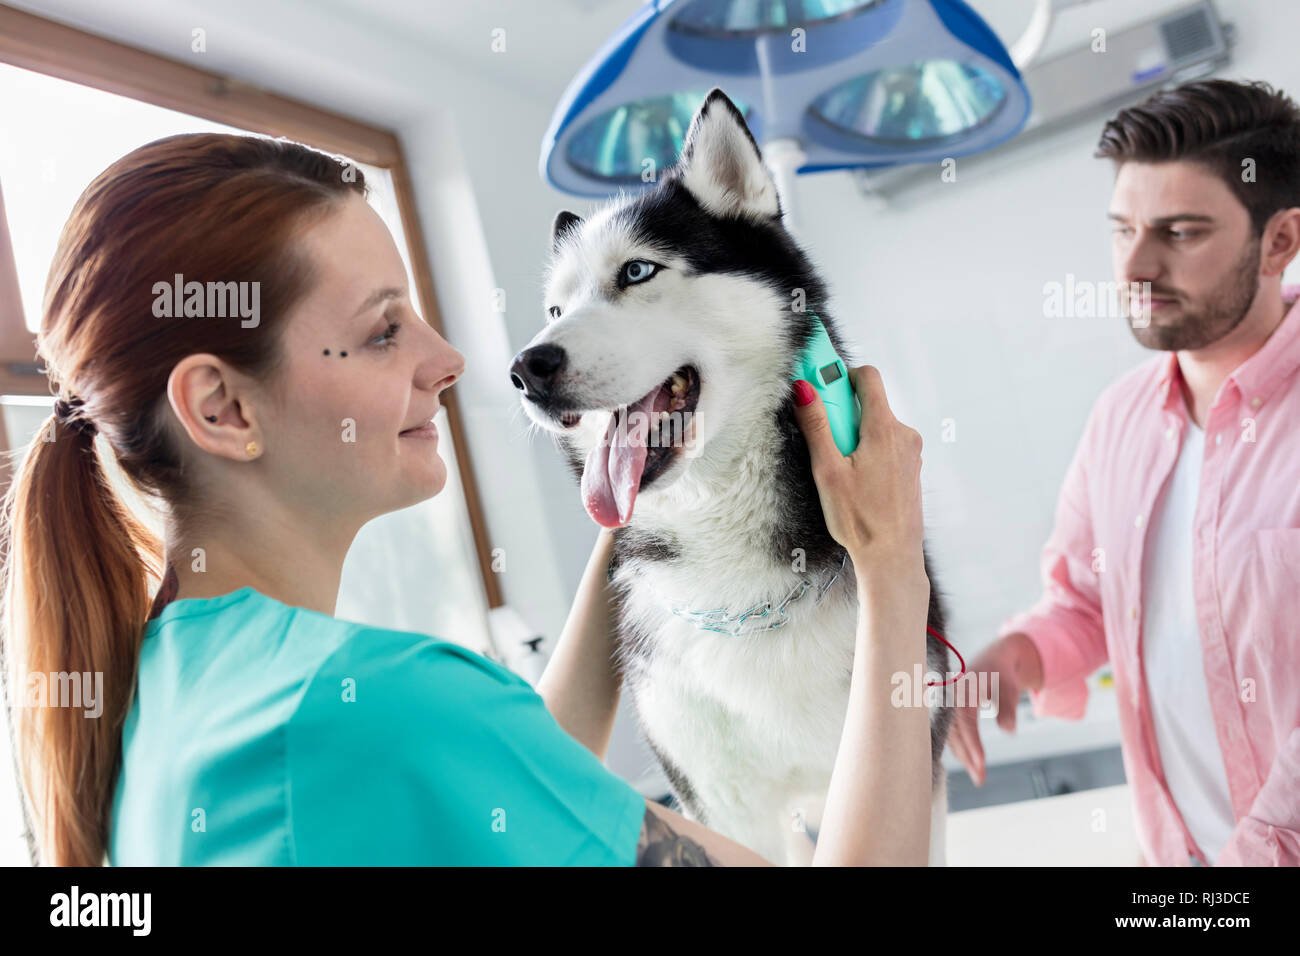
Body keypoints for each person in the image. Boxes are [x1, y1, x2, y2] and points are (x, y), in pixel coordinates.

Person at [1, 132, 935, 866]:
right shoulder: (396, 701)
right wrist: (891, 564)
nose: (448, 362)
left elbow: (517, 770)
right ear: (223, 407)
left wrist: (640, 478)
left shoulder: (161, 683)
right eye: (382, 332)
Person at [948, 79, 1300, 866]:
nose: (1137, 264)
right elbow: (1086, 602)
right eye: (1122, 230)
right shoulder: (1120, 421)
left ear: (1280, 240)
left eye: (1180, 232)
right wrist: (1014, 658)